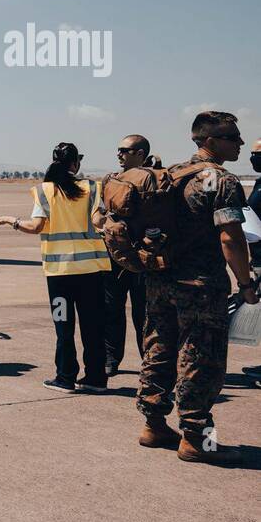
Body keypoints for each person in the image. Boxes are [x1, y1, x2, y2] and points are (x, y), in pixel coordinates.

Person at [136, 112, 256, 464]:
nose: (240, 143)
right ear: (208, 140)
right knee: (202, 358)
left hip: (160, 280)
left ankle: (153, 424)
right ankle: (195, 438)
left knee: (158, 347)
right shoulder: (222, 180)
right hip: (200, 286)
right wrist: (246, 283)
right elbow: (230, 237)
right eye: (232, 137)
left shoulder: (169, 175)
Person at [0, 142, 110, 394]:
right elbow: (98, 221)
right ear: (75, 164)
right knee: (93, 326)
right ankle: (96, 378)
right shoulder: (93, 188)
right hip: (91, 271)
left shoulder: (44, 191)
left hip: (59, 275)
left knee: (64, 327)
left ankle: (65, 377)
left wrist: (10, 220)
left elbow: (35, 227)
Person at [102, 134, 151, 376]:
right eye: (118, 150)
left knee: (144, 313)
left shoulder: (155, 181)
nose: (119, 154)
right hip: (116, 256)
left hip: (143, 258)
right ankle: (111, 359)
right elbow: (98, 214)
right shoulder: (111, 181)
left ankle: (149, 362)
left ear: (140, 154)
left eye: (125, 150)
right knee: (112, 309)